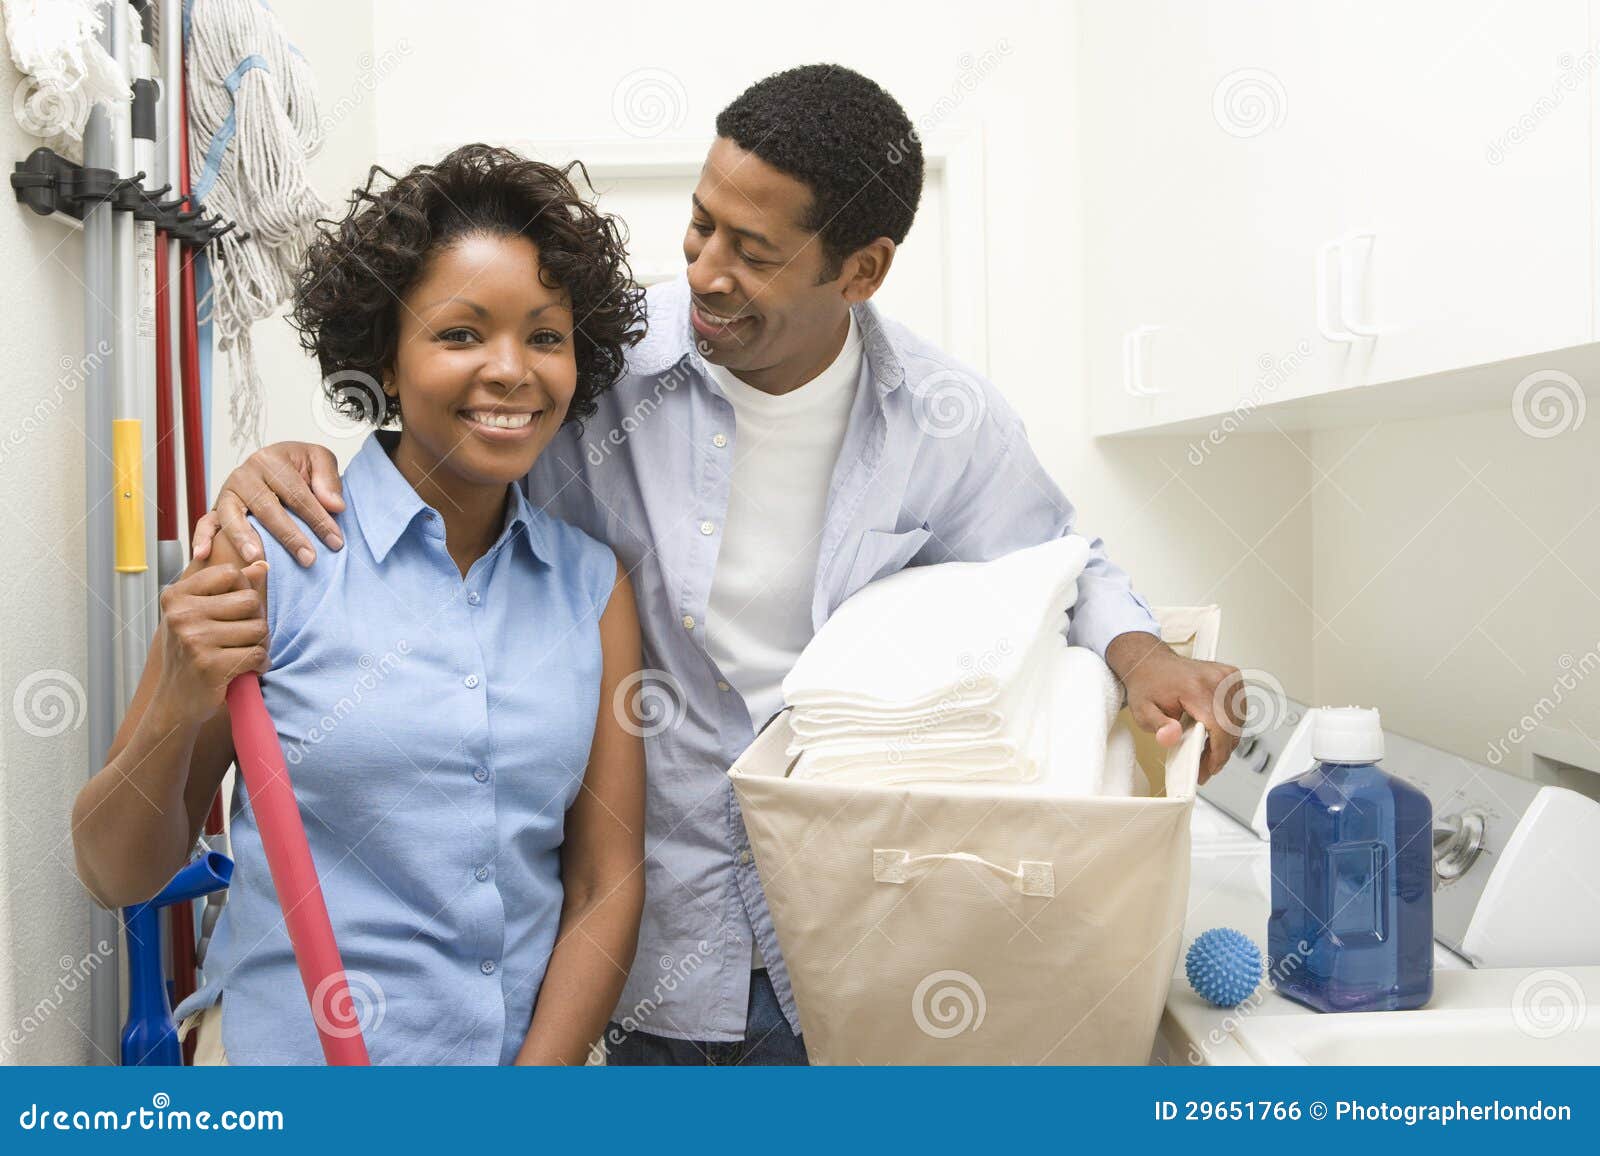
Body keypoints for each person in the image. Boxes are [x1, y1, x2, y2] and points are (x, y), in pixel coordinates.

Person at [193, 66, 1244, 1065]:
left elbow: (1062, 560)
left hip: (850, 928)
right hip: (653, 938)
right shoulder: (601, 355)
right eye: (699, 223)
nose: (703, 269)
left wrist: (1144, 656)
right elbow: (451, 424)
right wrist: (285, 466)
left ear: (860, 270)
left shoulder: (943, 422)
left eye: (751, 248)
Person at [71, 144, 649, 1065]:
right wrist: (179, 702)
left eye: (545, 336)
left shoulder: (592, 586)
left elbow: (603, 883)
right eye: (460, 335)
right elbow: (114, 871)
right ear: (386, 352)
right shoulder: (268, 557)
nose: (512, 371)